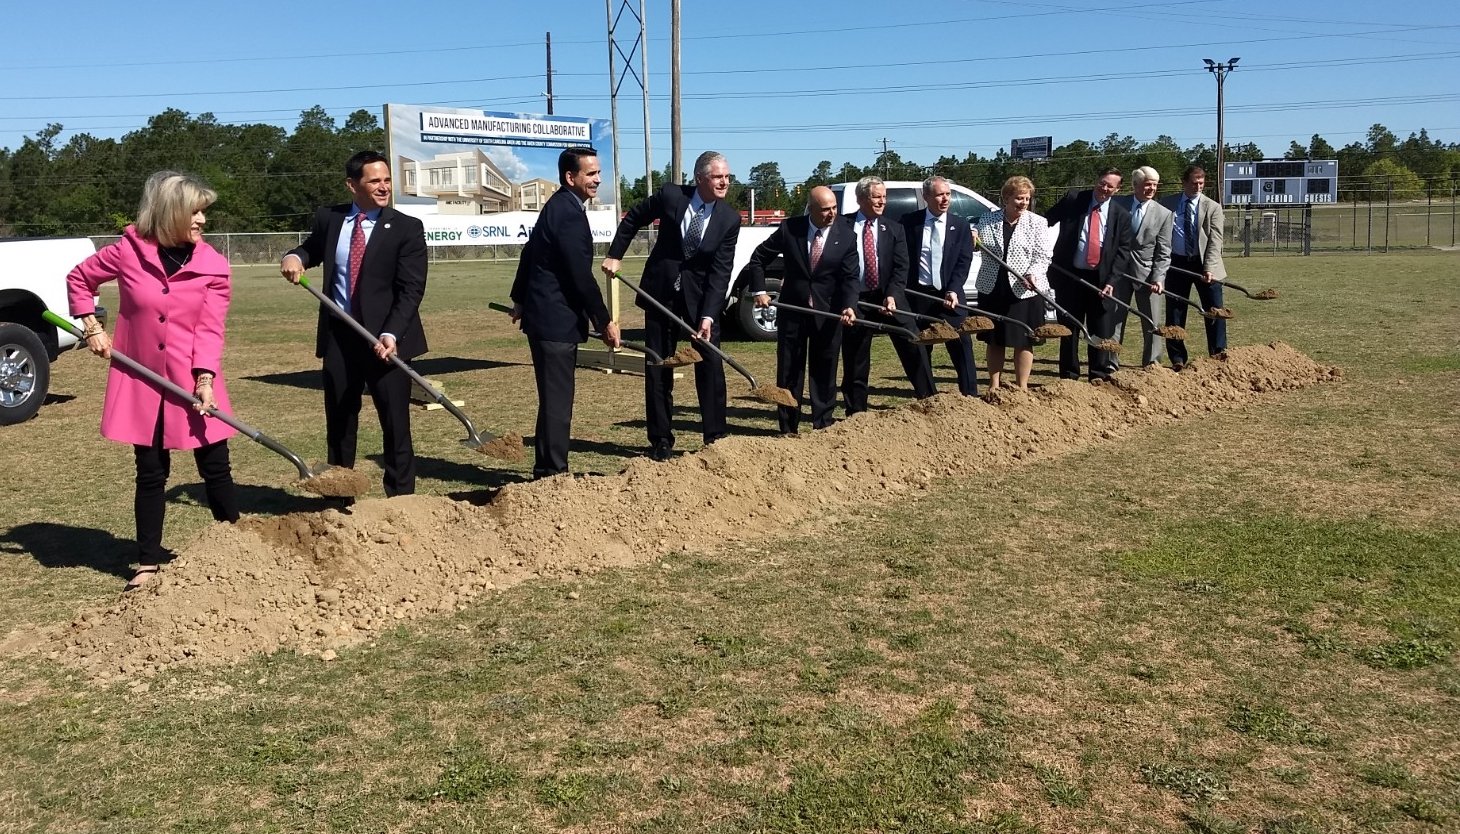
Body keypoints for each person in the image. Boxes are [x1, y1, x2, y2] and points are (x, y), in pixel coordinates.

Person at [66, 171, 239, 591]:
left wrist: (204, 378)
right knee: (150, 471)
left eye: (203, 213)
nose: (202, 221)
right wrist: (92, 326)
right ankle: (148, 562)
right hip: (142, 381)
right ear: (171, 212)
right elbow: (79, 279)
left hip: (193, 379)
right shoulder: (128, 251)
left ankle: (237, 546)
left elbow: (209, 329)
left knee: (215, 466)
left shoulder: (213, 265)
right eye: (195, 212)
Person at [281, 150, 428, 497]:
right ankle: (340, 496)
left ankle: (401, 499)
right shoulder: (330, 219)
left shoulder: (406, 228)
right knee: (341, 419)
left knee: (395, 423)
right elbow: (312, 249)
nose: (384, 187)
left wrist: (391, 333)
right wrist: (295, 255)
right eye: (374, 180)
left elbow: (411, 290)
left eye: (387, 180)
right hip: (340, 338)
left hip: (386, 340)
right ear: (352, 185)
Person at [601, 151, 740, 461]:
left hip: (700, 301)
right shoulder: (671, 195)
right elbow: (635, 217)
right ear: (701, 178)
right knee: (659, 365)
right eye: (718, 177)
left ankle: (715, 434)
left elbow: (721, 271)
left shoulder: (729, 219)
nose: (725, 182)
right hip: (661, 293)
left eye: (728, 177)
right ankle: (661, 440)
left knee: (711, 367)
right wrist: (615, 253)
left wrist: (708, 315)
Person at [509, 147, 622, 478]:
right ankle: (553, 473)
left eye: (599, 173)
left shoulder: (558, 205)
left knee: (553, 400)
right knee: (558, 403)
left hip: (545, 317)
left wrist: (519, 298)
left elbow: (530, 252)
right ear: (570, 177)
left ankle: (547, 469)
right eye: (590, 174)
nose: (598, 179)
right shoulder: (568, 213)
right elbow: (580, 277)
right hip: (555, 321)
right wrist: (604, 322)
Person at [744, 185, 859, 434]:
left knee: (824, 371)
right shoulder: (790, 228)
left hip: (828, 314)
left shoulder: (847, 235)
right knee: (789, 372)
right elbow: (758, 258)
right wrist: (759, 290)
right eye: (826, 209)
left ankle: (823, 425)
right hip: (793, 313)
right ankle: (788, 428)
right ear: (812, 209)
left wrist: (849, 305)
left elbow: (851, 277)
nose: (832, 214)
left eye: (835, 208)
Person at [839, 176, 934, 415]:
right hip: (857, 300)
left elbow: (902, 267)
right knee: (856, 359)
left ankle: (930, 400)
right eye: (876, 196)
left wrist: (892, 295)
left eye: (884, 196)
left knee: (914, 346)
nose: (882, 201)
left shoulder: (894, 228)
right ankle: (856, 413)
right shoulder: (842, 226)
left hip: (890, 298)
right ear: (860, 199)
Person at [1044, 168, 1127, 381]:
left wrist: (1112, 281)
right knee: (1069, 328)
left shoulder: (1122, 215)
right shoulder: (1074, 200)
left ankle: (1097, 374)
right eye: (1102, 183)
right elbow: (1045, 221)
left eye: (1110, 186)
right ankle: (1069, 376)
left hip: (1101, 282)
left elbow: (1123, 252)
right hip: (1069, 277)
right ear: (1096, 180)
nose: (1104, 188)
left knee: (1099, 329)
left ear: (1117, 189)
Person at [973, 176, 1052, 391]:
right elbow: (976, 244)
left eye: (1027, 198)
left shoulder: (1037, 222)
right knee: (995, 339)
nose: (1024, 203)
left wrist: (1033, 274)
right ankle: (994, 385)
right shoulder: (987, 220)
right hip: (993, 289)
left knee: (1024, 339)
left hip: (1024, 291)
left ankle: (1022, 386)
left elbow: (1043, 256)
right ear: (1006, 198)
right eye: (1019, 198)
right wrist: (972, 238)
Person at [900, 175, 977, 396]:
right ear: (926, 197)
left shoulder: (960, 225)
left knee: (961, 345)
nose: (945, 199)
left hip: (950, 296)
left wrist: (953, 288)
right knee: (922, 348)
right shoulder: (909, 223)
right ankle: (927, 396)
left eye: (947, 194)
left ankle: (970, 395)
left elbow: (964, 261)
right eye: (939, 195)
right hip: (919, 297)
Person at [1094, 165, 1172, 376]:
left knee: (1152, 322)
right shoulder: (1118, 204)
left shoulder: (1164, 214)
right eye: (1147, 184)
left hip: (1147, 277)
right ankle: (1110, 363)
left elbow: (1164, 251)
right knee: (1114, 321)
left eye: (1155, 185)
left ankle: (1152, 363)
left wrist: (1159, 277)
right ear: (1135, 185)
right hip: (1117, 275)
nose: (1151, 189)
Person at [1160, 164, 1227, 370]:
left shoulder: (1212, 207)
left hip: (1205, 263)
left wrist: (1208, 268)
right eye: (1194, 183)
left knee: (1214, 311)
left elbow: (1216, 240)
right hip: (1176, 263)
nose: (1198, 187)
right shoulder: (1167, 204)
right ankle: (1177, 358)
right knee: (1175, 312)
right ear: (1184, 183)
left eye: (1201, 183)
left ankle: (1218, 353)